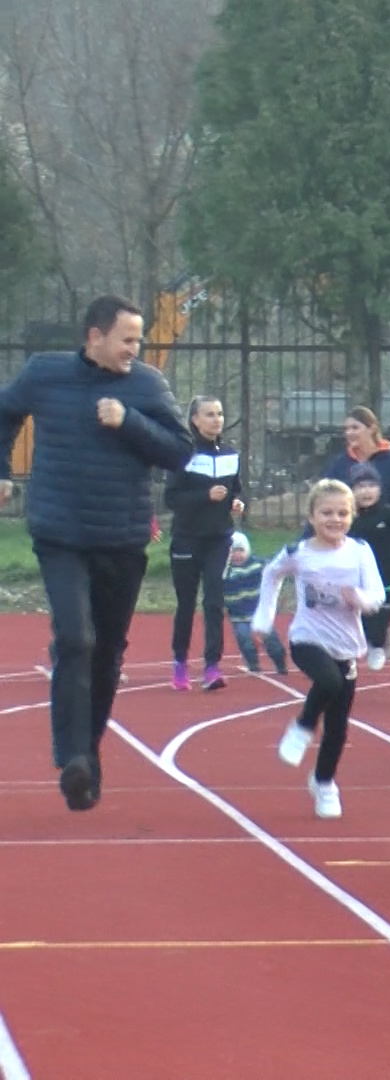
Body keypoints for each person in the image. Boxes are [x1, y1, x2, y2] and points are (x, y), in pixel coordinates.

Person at [0, 294, 194, 811]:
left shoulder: (147, 385)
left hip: (122, 538)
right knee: (74, 638)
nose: (136, 348)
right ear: (94, 336)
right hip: (60, 534)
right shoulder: (44, 373)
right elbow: (4, 413)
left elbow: (180, 452)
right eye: (127, 339)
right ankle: (72, 757)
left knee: (106, 653)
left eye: (139, 339)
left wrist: (128, 420)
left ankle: (88, 751)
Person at [257, 480, 387, 820]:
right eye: (326, 513)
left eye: (342, 513)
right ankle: (302, 726)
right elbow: (271, 575)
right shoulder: (298, 553)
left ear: (352, 516)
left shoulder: (360, 551)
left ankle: (324, 781)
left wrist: (359, 599)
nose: (335, 519)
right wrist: (264, 618)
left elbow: (377, 595)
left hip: (346, 644)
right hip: (307, 639)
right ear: (312, 516)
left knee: (338, 726)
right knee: (328, 681)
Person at [164, 395, 245, 691]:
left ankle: (212, 666)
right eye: (209, 414)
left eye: (219, 414)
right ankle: (180, 663)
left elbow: (236, 490)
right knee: (186, 603)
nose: (216, 419)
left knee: (214, 602)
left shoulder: (231, 454)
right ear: (195, 420)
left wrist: (236, 502)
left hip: (219, 539)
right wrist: (204, 496)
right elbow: (171, 498)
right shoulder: (183, 453)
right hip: (186, 538)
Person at [347, 463, 390, 671]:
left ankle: (379, 644)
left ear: (380, 489)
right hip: (357, 579)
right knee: (361, 618)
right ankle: (367, 643)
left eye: (371, 485)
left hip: (387, 578)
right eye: (360, 486)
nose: (366, 491)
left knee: (381, 618)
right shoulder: (349, 520)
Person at [323, 406, 390, 510]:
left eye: (355, 428)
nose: (349, 433)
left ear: (371, 428)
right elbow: (325, 497)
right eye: (346, 429)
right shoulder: (339, 463)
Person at [224, 533, 288, 675]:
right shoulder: (225, 571)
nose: (237, 555)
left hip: (259, 612)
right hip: (239, 616)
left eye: (240, 550)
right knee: (245, 640)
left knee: (271, 640)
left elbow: (273, 568)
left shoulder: (257, 564)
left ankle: (280, 663)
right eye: (232, 551)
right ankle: (253, 663)